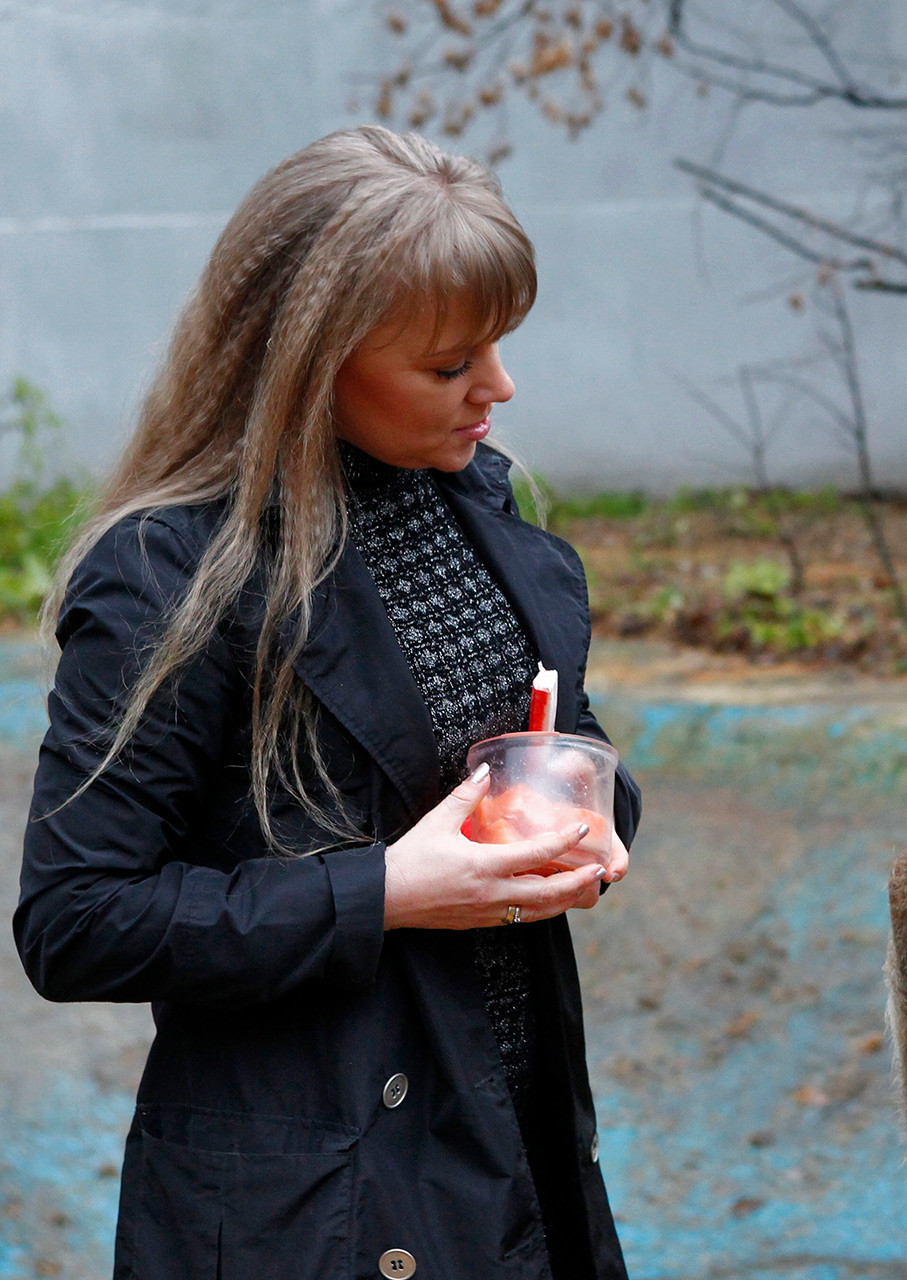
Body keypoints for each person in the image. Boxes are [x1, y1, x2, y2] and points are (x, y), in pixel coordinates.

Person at [14, 126, 640, 1280]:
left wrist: (589, 804)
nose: (499, 389)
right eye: (451, 366)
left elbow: (559, 728)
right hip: (312, 1206)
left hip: (516, 1150)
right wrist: (385, 892)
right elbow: (76, 917)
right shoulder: (169, 575)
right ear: (308, 360)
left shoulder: (481, 513)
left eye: (497, 346)